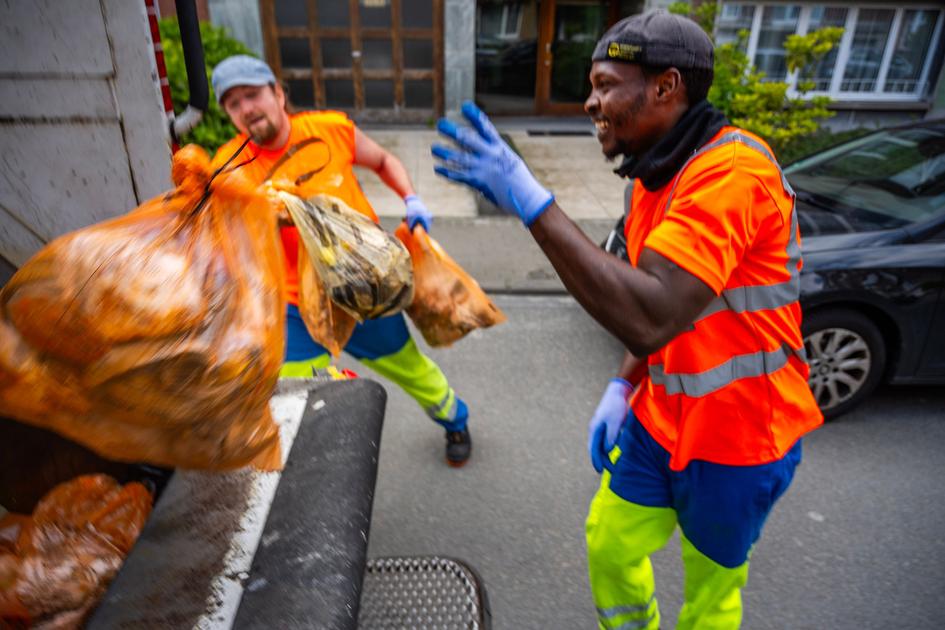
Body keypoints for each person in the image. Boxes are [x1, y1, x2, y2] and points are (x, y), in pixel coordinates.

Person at [432, 11, 823, 629]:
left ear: (666, 88)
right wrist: (624, 384)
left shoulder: (733, 174)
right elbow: (642, 309)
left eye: (607, 84)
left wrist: (533, 204)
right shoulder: (653, 174)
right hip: (660, 418)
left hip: (740, 437)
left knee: (711, 595)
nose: (591, 103)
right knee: (609, 544)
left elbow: (650, 315)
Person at [211, 55, 472, 466]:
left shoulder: (329, 130)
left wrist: (411, 198)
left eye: (252, 95)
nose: (246, 109)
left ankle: (454, 417)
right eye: (233, 104)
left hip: (363, 289)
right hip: (298, 304)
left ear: (278, 94)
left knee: (413, 372)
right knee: (295, 387)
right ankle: (320, 461)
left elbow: (384, 161)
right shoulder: (230, 166)